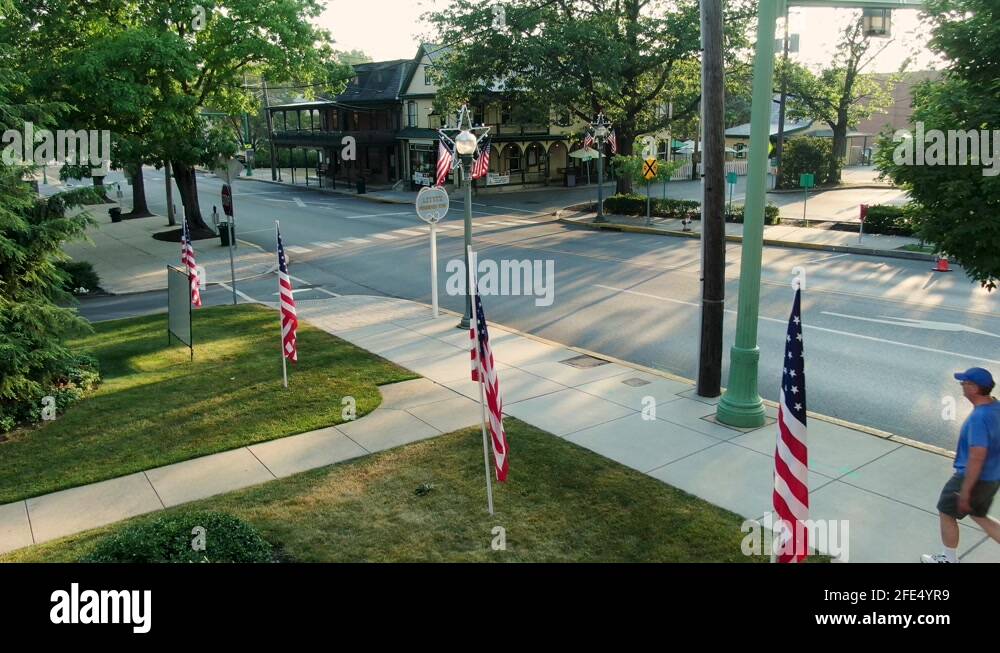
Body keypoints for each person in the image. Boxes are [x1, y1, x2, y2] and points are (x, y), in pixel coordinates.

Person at [922, 367, 1000, 563]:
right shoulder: (996, 407)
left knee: (946, 511)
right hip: (992, 477)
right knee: (979, 516)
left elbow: (977, 456)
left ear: (974, 388)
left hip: (972, 477)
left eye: (964, 383)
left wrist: (965, 491)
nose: (961, 386)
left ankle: (948, 559)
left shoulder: (978, 418)